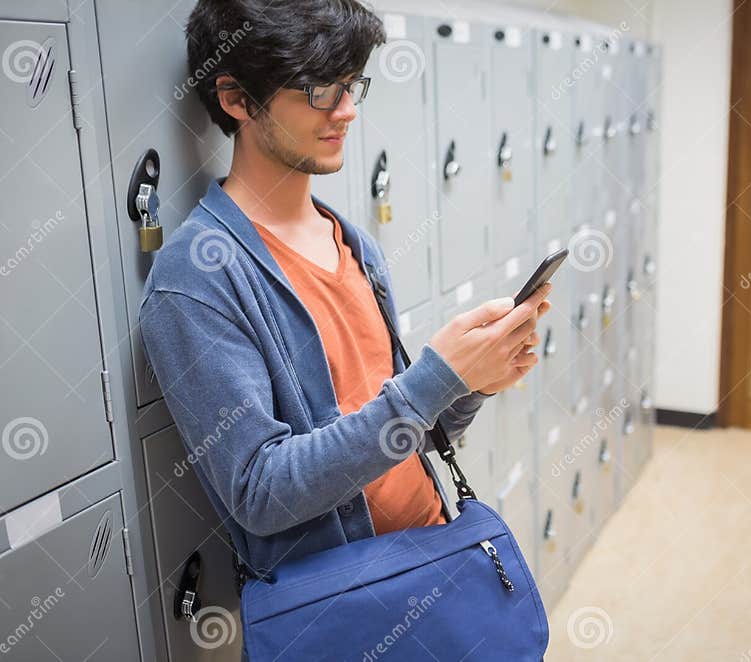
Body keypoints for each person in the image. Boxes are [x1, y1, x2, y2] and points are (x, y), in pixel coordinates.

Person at [138, 0, 552, 635]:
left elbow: (401, 429)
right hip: (346, 609)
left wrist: (473, 380)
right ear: (236, 98)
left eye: (351, 84)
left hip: (432, 558)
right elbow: (259, 491)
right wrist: (436, 379)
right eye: (319, 89)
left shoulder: (350, 240)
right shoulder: (198, 277)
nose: (348, 110)